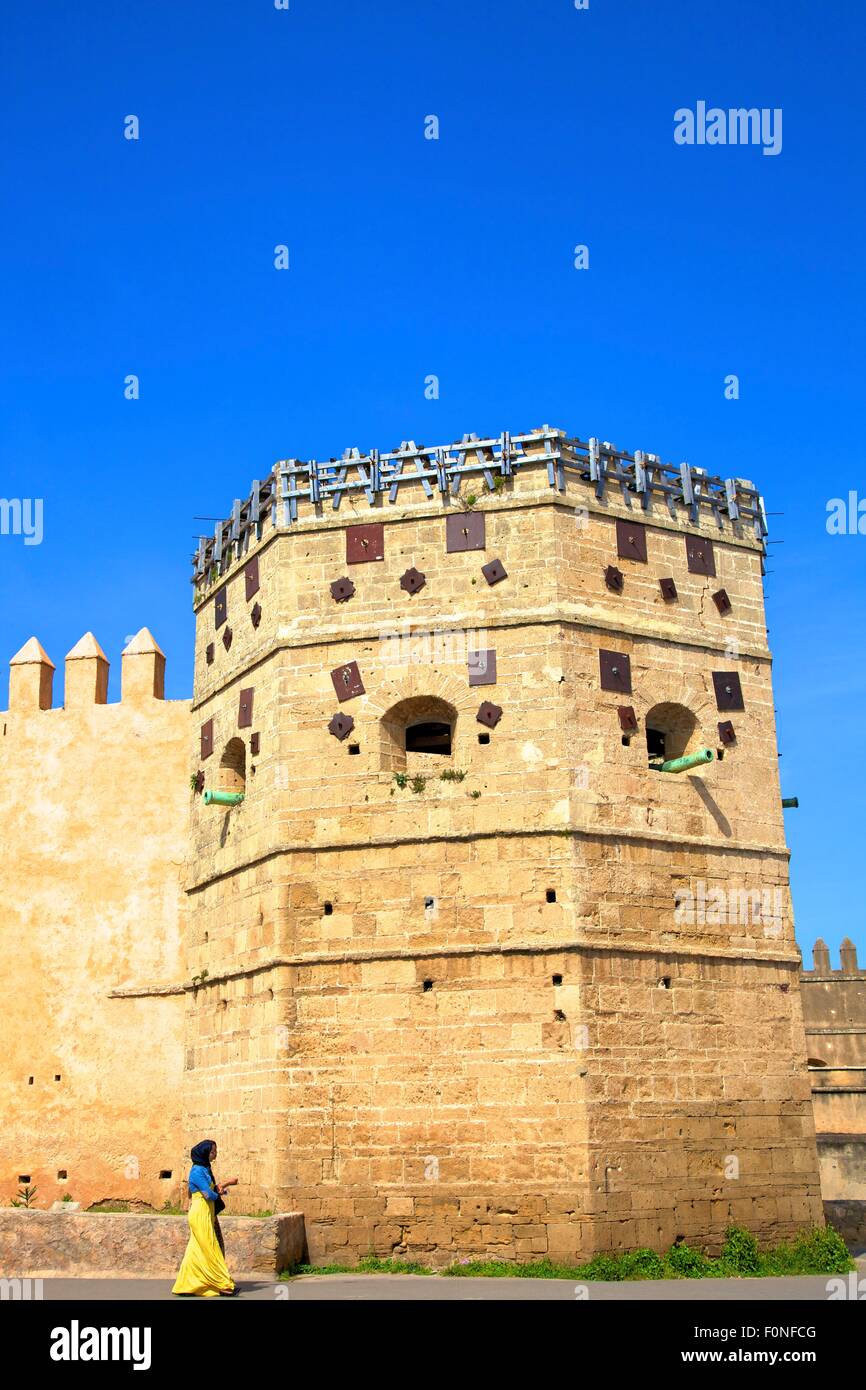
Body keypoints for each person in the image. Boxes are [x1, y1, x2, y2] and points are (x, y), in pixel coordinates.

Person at [172, 1140, 239, 1297]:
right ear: (204, 1153)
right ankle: (223, 1283)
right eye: (212, 1151)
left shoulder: (205, 1170)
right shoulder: (196, 1171)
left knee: (195, 1250)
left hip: (206, 1213)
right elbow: (207, 1194)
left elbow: (208, 1189)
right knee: (211, 1247)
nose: (215, 1154)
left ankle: (186, 1284)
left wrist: (223, 1186)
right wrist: (220, 1193)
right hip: (200, 1213)